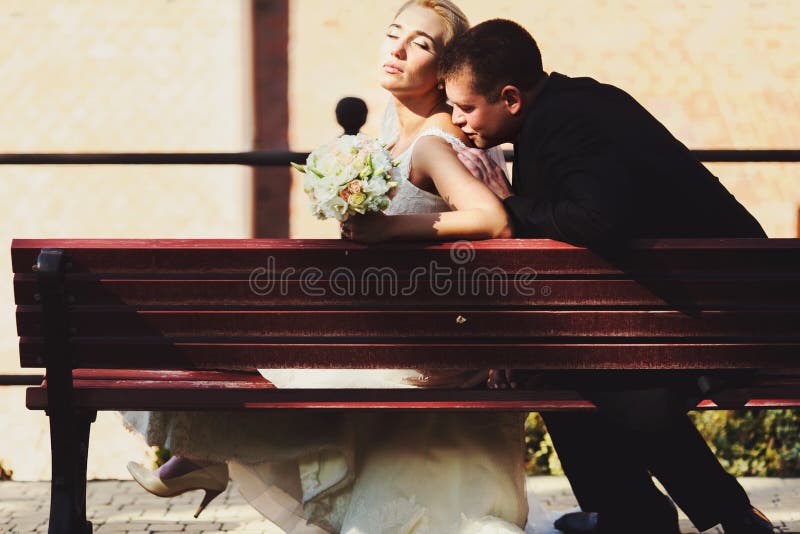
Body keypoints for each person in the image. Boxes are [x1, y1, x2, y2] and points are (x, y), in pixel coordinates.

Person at [125, 3, 551, 533]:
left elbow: (492, 219)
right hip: (408, 334)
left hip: (422, 352)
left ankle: (204, 456)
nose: (397, 49)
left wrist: (388, 229)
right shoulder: (399, 141)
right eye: (394, 34)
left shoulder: (434, 144)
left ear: (446, 72)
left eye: (420, 44)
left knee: (235, 344)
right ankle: (203, 457)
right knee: (255, 337)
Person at [438, 19, 775, 534]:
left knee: (565, 367)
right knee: (562, 366)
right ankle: (666, 513)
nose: (458, 120)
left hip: (717, 319)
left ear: (510, 98)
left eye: (465, 107)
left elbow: (597, 219)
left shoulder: (564, 122)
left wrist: (509, 209)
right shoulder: (582, 104)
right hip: (719, 300)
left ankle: (651, 515)